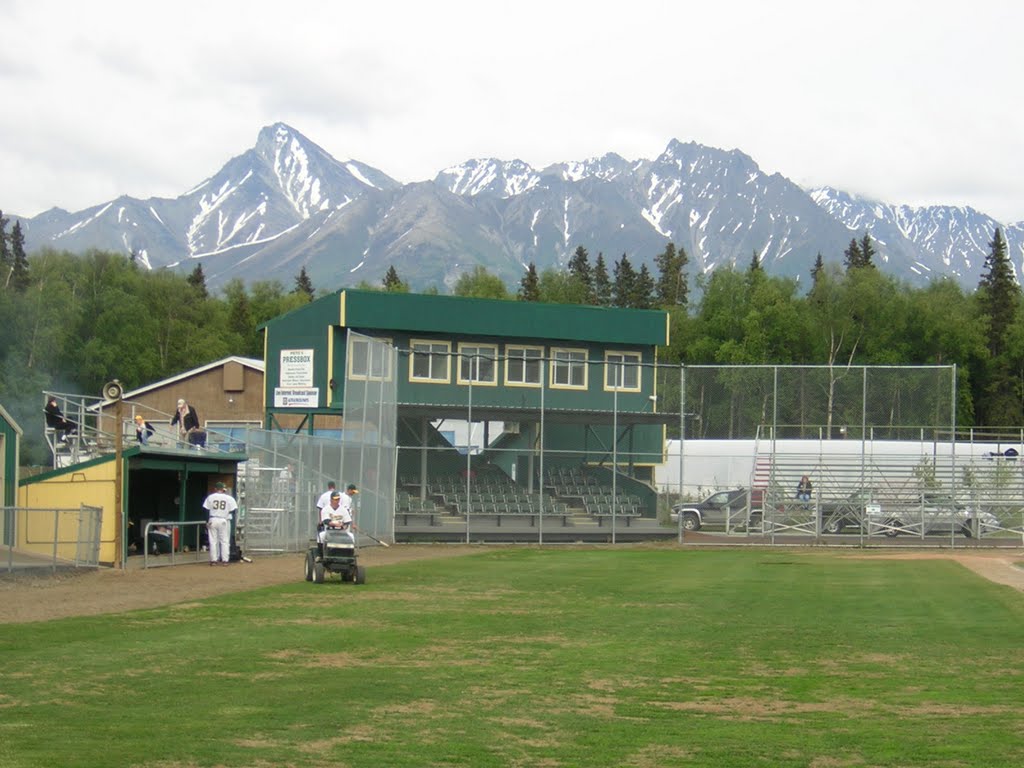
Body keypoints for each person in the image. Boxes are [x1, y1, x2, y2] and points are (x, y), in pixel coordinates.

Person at [203, 481, 238, 566]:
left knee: (213, 541)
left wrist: (206, 521)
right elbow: (233, 510)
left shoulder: (210, 497)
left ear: (215, 489)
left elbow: (206, 509)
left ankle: (213, 560)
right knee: (224, 541)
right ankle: (225, 560)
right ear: (223, 489)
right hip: (223, 519)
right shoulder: (229, 498)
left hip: (212, 519)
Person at [316, 490, 354, 561]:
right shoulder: (326, 509)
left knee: (351, 536)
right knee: (321, 536)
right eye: (335, 499)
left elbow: (347, 522)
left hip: (341, 531)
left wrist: (343, 527)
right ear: (331, 499)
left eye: (338, 499)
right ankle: (320, 555)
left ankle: (350, 556)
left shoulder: (343, 509)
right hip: (329, 531)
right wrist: (335, 524)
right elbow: (326, 521)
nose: (337, 501)